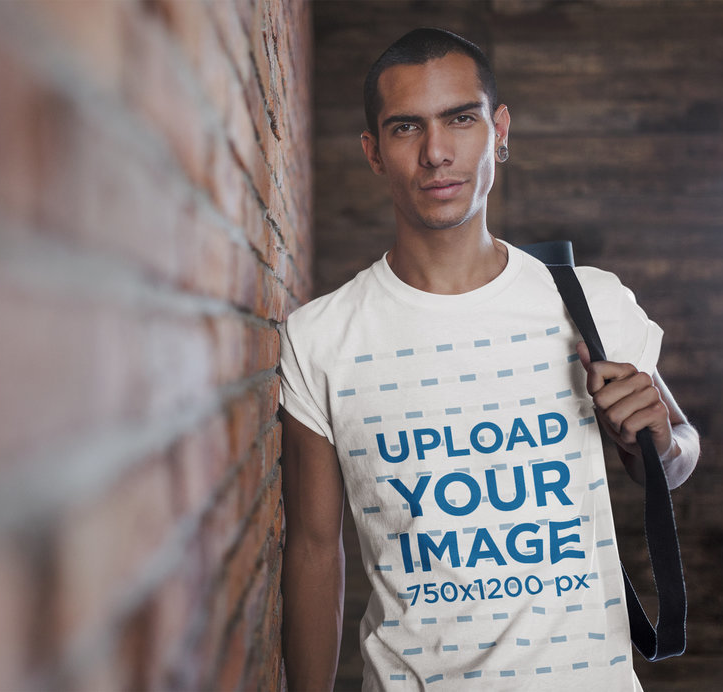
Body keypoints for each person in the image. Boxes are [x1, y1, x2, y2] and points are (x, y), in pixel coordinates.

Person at [278, 27, 699, 691]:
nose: (436, 153)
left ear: (498, 130)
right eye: (405, 128)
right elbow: (309, 549)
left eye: (460, 119)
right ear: (373, 153)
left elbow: (677, 452)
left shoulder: (589, 300)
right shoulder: (319, 336)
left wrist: (651, 444)